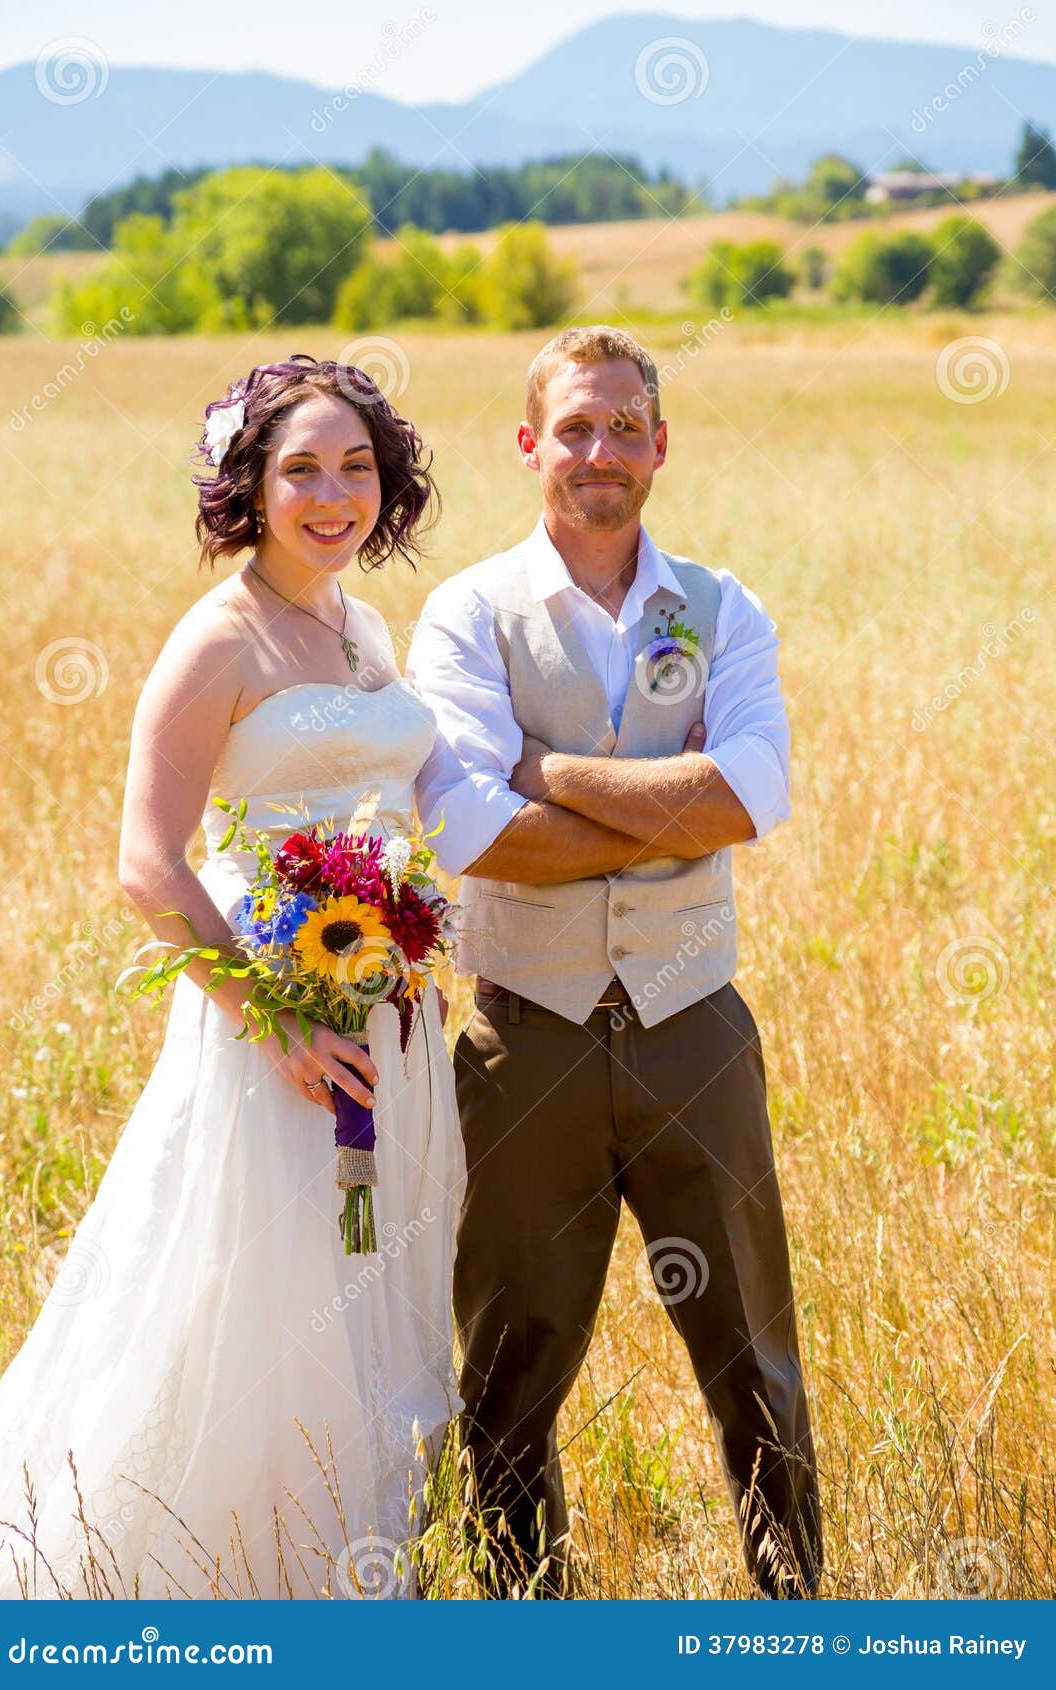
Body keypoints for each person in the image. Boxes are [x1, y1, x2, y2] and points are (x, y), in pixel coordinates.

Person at [0, 356, 465, 1601]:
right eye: (299, 467)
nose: (332, 493)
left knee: (362, 1286)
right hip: (273, 1029)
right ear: (245, 483)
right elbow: (149, 866)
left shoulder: (359, 624)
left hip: (380, 1015)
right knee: (255, 1306)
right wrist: (279, 1029)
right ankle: (203, 1589)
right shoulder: (218, 637)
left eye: (356, 465)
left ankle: (351, 1583)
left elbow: (387, 800)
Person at [407, 325, 822, 1599]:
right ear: (530, 444)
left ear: (658, 444)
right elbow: (469, 828)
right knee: (508, 1362)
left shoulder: (720, 603)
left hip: (693, 1024)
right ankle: (528, 1624)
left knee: (752, 1349)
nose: (602, 450)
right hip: (520, 1035)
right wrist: (658, 801)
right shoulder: (467, 609)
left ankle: (793, 1618)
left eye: (625, 425)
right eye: (575, 427)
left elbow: (748, 795)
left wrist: (548, 775)